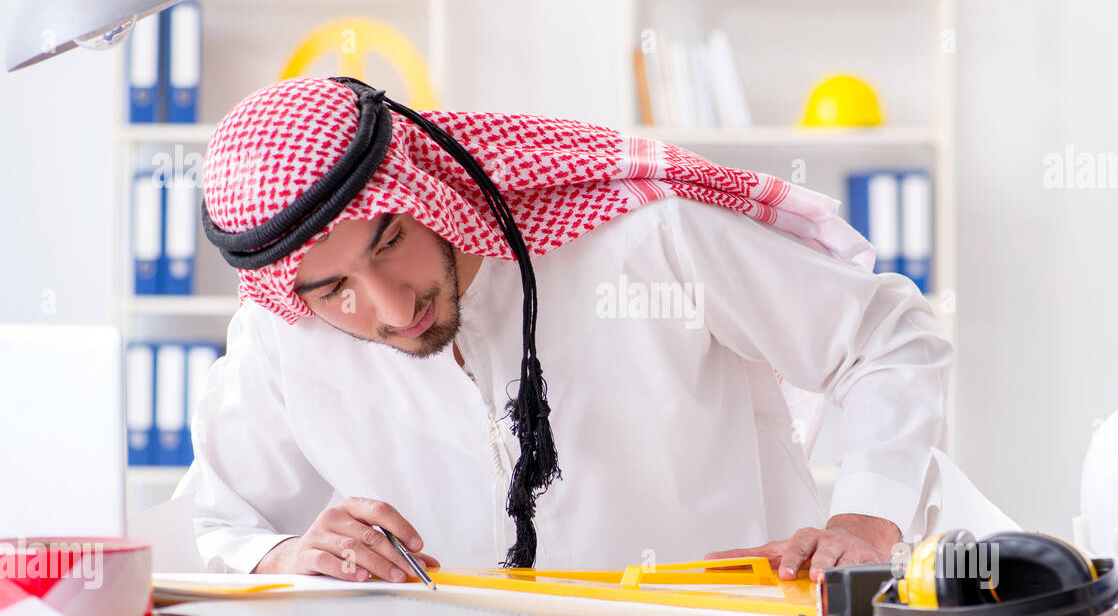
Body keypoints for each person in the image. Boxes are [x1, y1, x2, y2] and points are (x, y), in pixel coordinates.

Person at [181, 76, 953, 585]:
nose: (387, 306)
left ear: (425, 189)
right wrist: (287, 554)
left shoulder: (652, 244)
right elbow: (219, 524)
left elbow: (889, 335)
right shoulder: (279, 339)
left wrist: (866, 516)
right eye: (334, 288)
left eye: (389, 243)